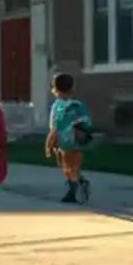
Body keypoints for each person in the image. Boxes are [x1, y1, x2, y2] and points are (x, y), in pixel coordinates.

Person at [45, 73, 93, 204]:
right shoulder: (77, 105)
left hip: (64, 142)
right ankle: (79, 183)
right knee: (71, 166)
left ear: (54, 89)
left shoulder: (57, 106)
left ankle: (74, 191)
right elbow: (87, 121)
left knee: (68, 167)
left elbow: (54, 128)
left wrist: (49, 145)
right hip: (76, 141)